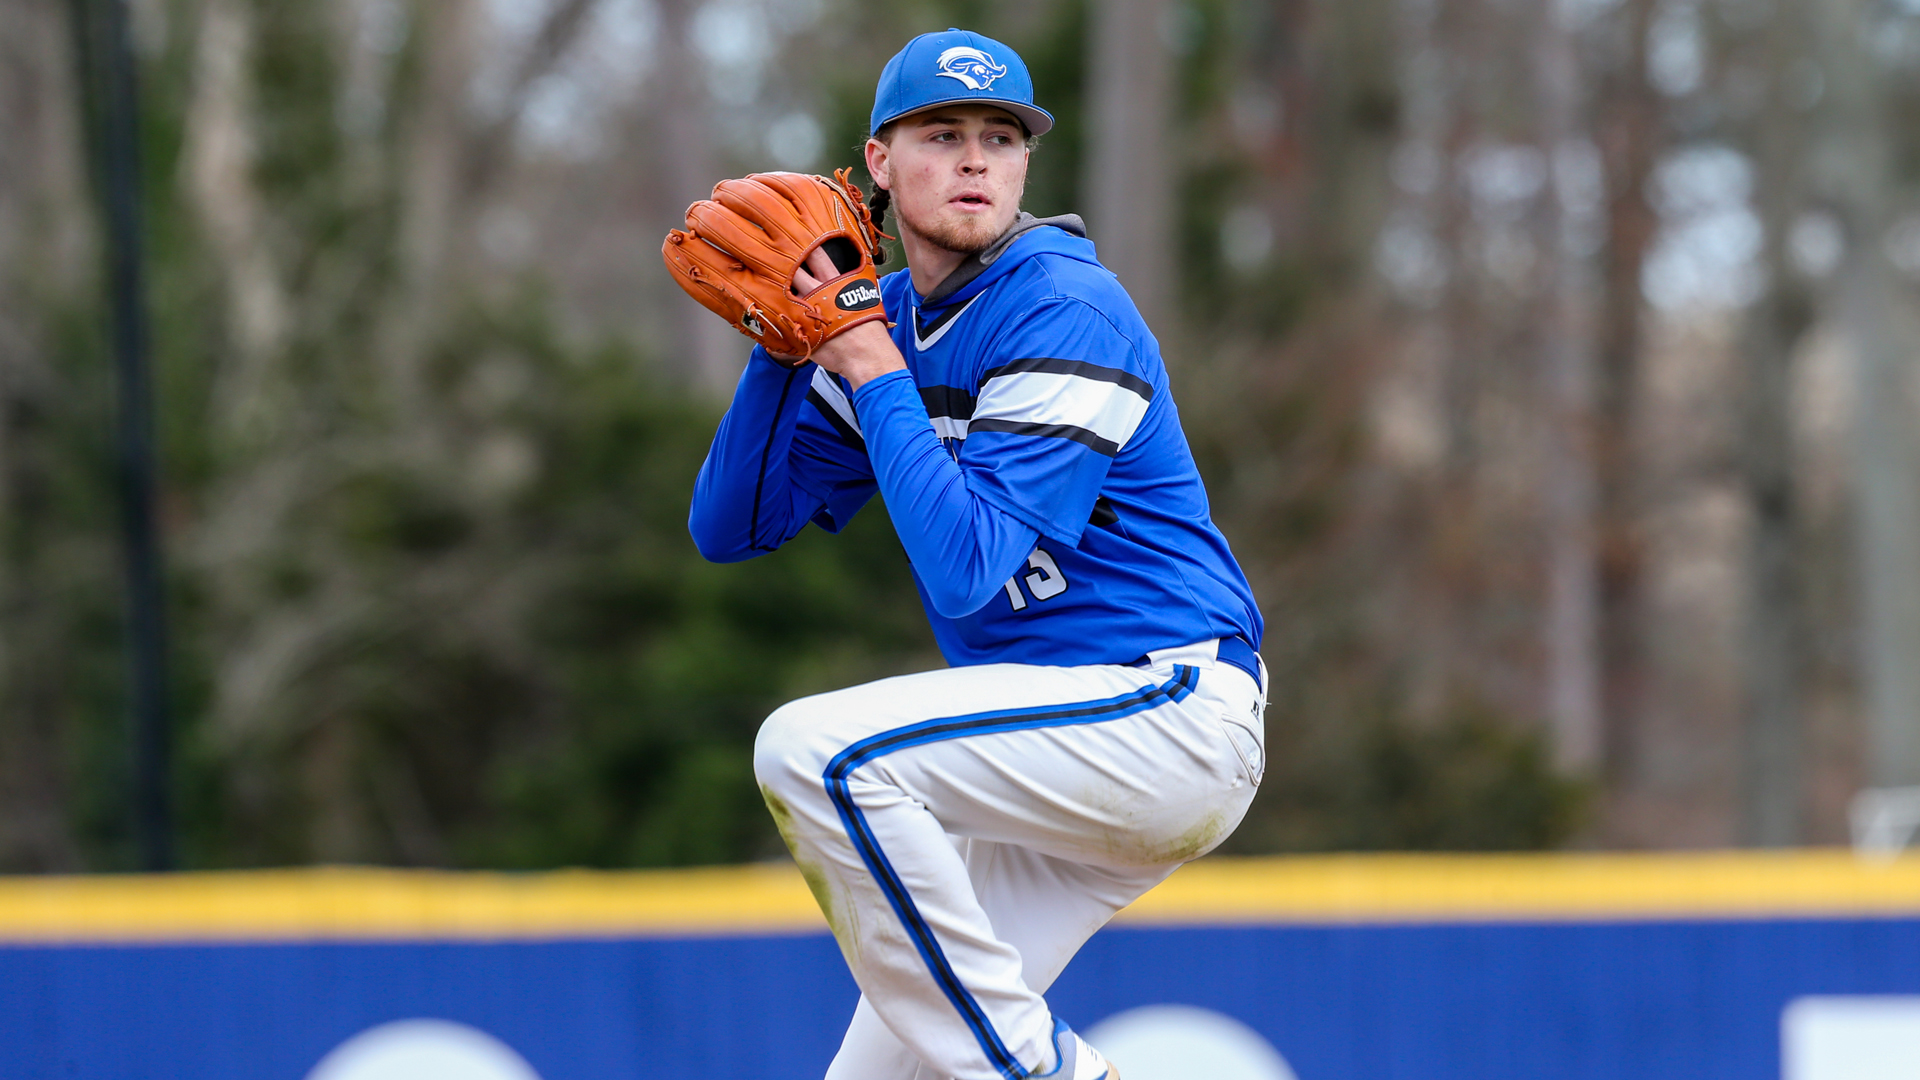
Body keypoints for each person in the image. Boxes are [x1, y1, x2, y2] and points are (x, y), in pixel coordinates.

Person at [686, 28, 1266, 1080]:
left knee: (815, 753)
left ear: (1027, 164)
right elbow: (732, 528)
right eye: (941, 133)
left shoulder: (1064, 306)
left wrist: (861, 357)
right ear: (877, 162)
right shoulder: (889, 321)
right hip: (1050, 750)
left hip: (1164, 714)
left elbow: (971, 567)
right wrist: (790, 341)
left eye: (1001, 136)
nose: (974, 159)